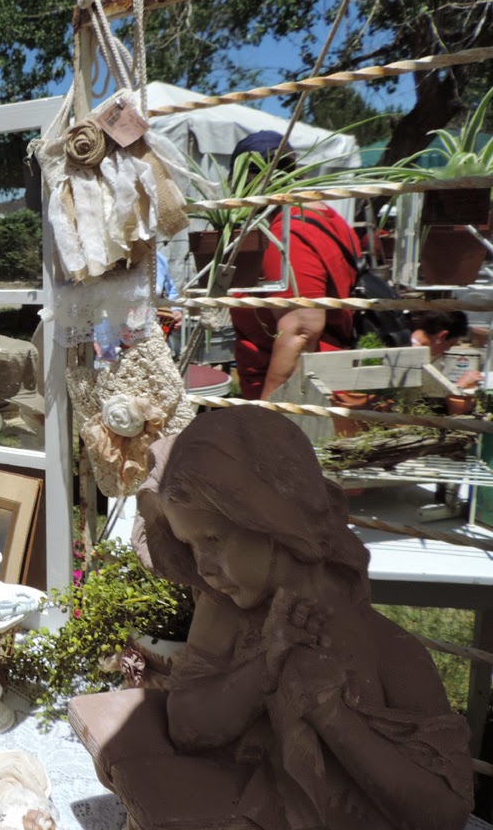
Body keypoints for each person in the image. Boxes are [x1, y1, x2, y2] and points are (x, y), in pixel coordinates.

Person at [72, 407, 473, 830]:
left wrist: (330, 717)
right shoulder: (224, 611)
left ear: (277, 522)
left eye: (213, 539)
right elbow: (186, 726)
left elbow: (444, 813)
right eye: (190, 546)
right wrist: (264, 667)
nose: (203, 567)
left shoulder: (389, 652)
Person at [228, 131, 364, 400]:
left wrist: (268, 417)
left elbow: (300, 331)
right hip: (321, 389)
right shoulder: (330, 219)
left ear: (249, 179)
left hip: (308, 403)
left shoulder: (287, 232)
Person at [411, 310, 483, 390]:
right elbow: (419, 393)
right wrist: (460, 385)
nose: (448, 349)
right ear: (442, 336)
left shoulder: (419, 346)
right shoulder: (411, 354)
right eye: (451, 344)